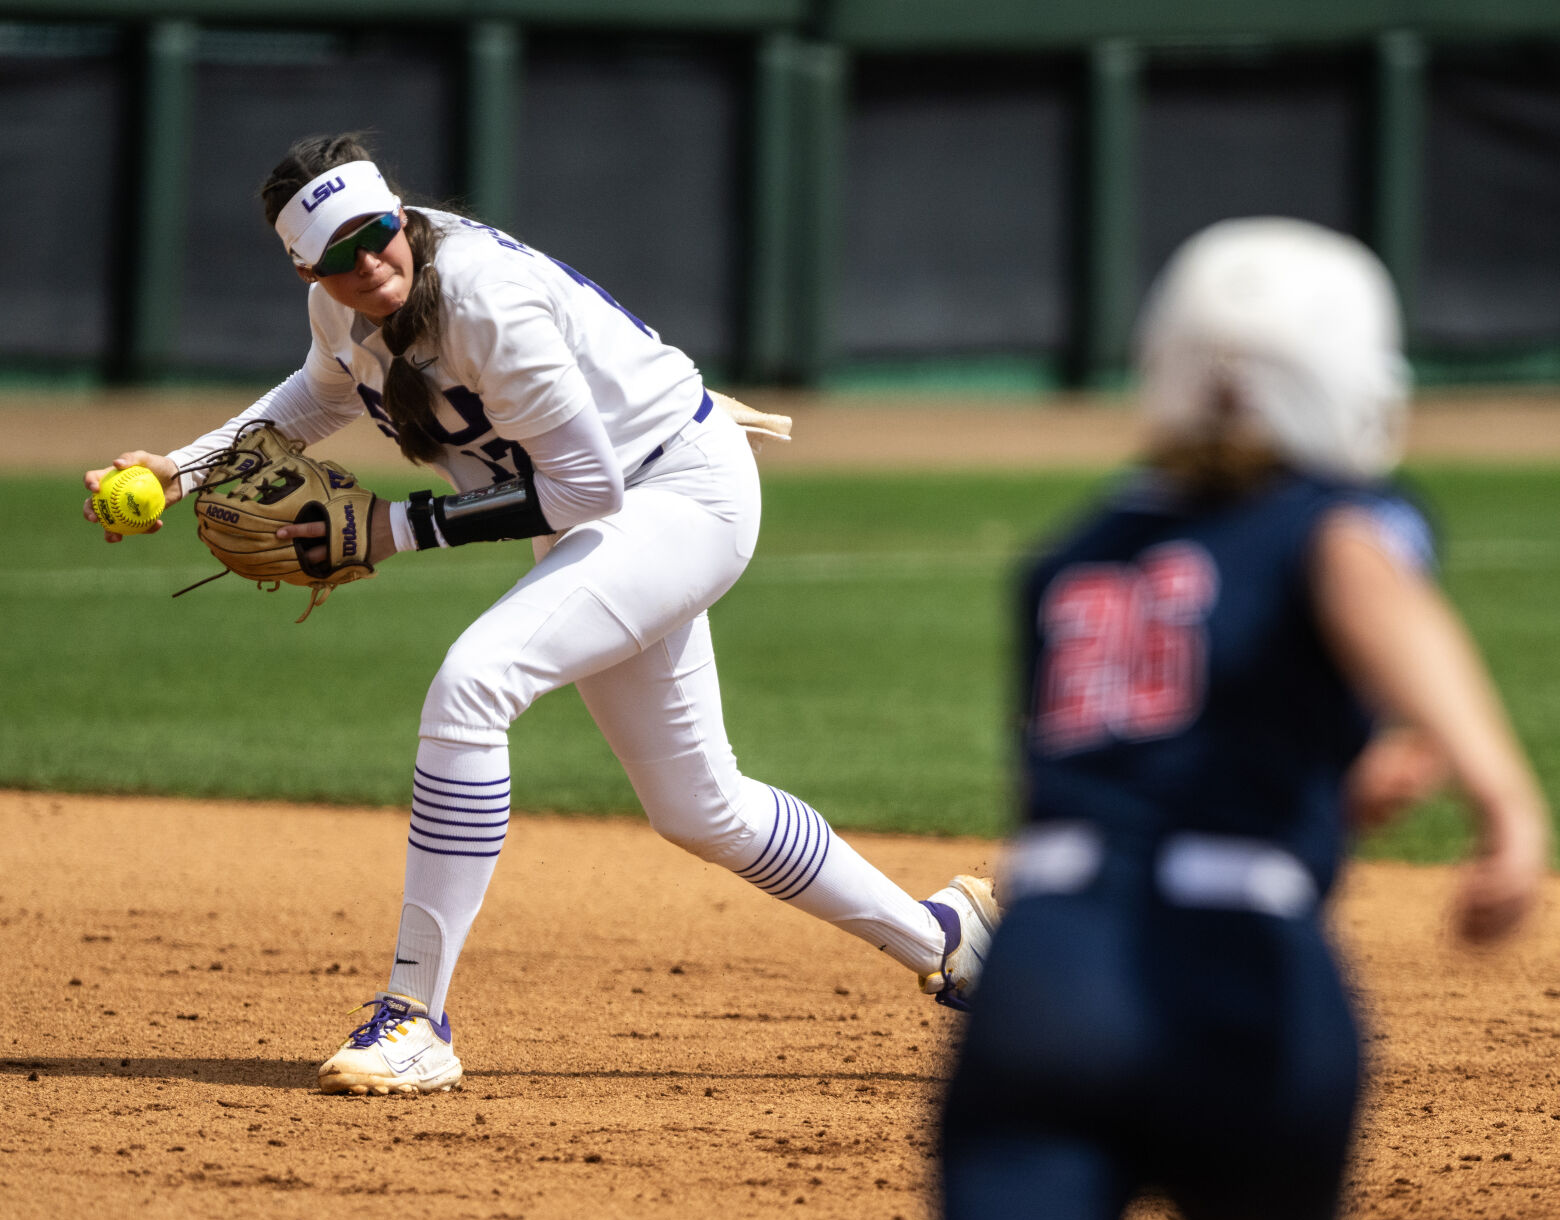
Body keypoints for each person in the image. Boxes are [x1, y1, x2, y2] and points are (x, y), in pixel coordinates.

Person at [82, 133, 999, 1096]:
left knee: (473, 686)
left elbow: (589, 487)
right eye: (338, 257)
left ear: (402, 215)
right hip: (601, 515)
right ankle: (943, 935)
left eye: (378, 233)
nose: (367, 263)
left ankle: (413, 1019)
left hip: (677, 497)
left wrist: (389, 530)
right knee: (700, 806)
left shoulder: (482, 299)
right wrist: (178, 470)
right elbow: (319, 394)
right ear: (305, 269)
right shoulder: (340, 310)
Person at [940, 218, 1550, 1220]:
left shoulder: (1068, 557)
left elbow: (1147, 755)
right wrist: (1504, 798)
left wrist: (1339, 788)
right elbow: (1360, 576)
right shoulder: (1336, 516)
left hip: (1042, 977)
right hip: (1238, 980)